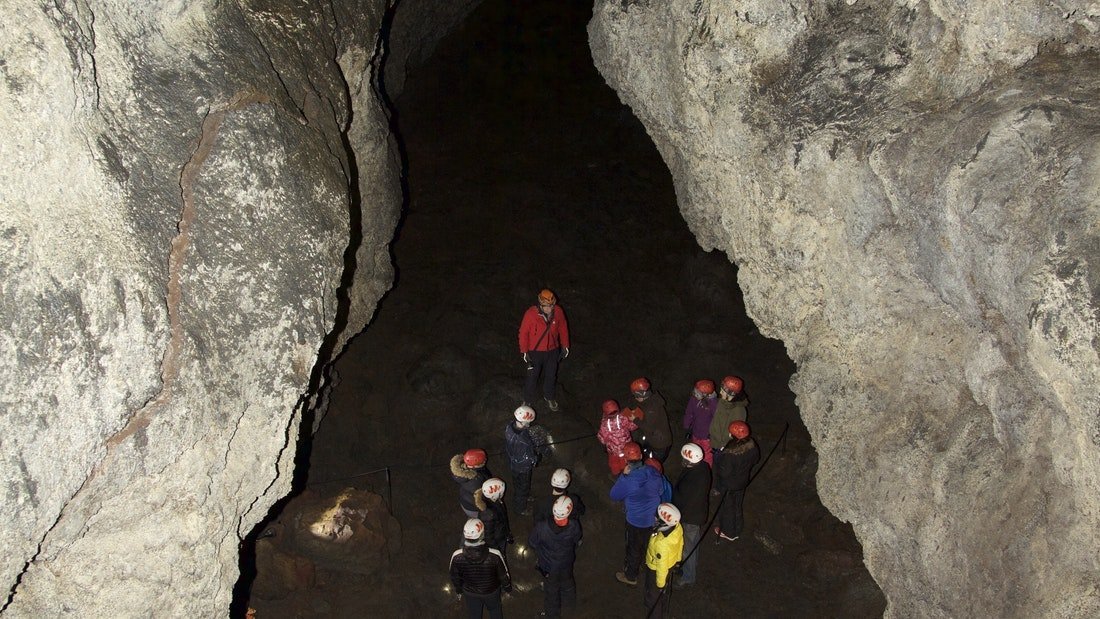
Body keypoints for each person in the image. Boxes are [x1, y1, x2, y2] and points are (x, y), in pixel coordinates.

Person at [609, 442, 664, 586]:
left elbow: (614, 495)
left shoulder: (629, 480)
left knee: (633, 548)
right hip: (652, 520)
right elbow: (661, 491)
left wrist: (623, 476)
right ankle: (648, 567)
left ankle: (631, 576)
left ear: (626, 460)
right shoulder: (654, 473)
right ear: (641, 456)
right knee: (648, 546)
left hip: (635, 521)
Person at [527, 496, 583, 618]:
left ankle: (552, 615)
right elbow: (577, 540)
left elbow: (532, 543)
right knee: (568, 581)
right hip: (567, 561)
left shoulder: (542, 527)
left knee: (551, 591)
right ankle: (569, 604)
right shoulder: (574, 525)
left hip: (548, 566)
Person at [449, 518, 512, 619]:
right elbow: (503, 575)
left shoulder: (456, 556)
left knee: (474, 614)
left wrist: (459, 590)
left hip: (470, 592)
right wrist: (507, 588)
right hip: (491, 591)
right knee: (495, 609)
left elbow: (455, 577)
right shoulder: (495, 555)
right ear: (482, 534)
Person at [518, 288, 570, 411]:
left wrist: (565, 345)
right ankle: (528, 399)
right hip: (535, 352)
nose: (549, 309)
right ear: (540, 304)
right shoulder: (530, 314)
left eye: (551, 305)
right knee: (532, 377)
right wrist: (524, 351)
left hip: (552, 350)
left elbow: (563, 328)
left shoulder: (558, 311)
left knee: (551, 375)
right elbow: (523, 333)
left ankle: (549, 397)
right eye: (546, 306)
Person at [671, 443, 710, 587]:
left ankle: (688, 576)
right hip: (697, 513)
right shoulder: (703, 467)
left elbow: (683, 500)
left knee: (688, 548)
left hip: (689, 518)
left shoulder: (692, 480)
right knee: (692, 544)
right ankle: (689, 567)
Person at [715, 421, 761, 541]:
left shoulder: (730, 454)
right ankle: (738, 529)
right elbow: (756, 460)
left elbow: (724, 473)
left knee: (728, 508)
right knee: (737, 505)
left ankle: (729, 533)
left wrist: (720, 459)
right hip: (742, 481)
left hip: (729, 485)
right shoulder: (752, 446)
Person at [643, 503, 684, 619]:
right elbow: (681, 543)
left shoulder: (662, 544)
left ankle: (655, 613)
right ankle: (663, 605)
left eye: (657, 518)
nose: (655, 518)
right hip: (671, 564)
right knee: (664, 591)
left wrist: (660, 585)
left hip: (656, 568)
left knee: (654, 596)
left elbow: (661, 568)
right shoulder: (677, 527)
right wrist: (678, 561)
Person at [504, 405, 541, 515]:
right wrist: (535, 459)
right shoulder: (522, 442)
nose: (529, 425)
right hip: (522, 468)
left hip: (512, 462)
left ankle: (524, 494)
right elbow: (527, 459)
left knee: (517, 482)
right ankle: (520, 508)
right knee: (522, 487)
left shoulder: (509, 427)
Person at [625, 377, 672, 462]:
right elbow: (647, 414)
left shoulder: (651, 408)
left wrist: (635, 419)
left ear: (642, 395)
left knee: (654, 463)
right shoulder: (651, 400)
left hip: (660, 442)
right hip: (654, 437)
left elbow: (649, 427)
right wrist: (636, 413)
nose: (635, 398)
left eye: (636, 396)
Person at [709, 376, 749, 473]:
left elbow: (733, 433)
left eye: (723, 391)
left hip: (723, 446)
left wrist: (722, 446)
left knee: (720, 469)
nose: (720, 392)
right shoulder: (723, 401)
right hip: (714, 442)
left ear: (732, 394)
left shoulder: (738, 411)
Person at [596, 399, 638, 477]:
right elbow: (633, 427)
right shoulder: (623, 418)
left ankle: (616, 474)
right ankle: (626, 474)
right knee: (626, 461)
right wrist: (635, 418)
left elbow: (602, 440)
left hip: (613, 451)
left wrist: (599, 434)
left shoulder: (604, 425)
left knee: (614, 463)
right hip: (626, 448)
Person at [683, 379, 718, 467]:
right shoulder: (694, 399)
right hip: (696, 431)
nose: (695, 393)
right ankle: (695, 465)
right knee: (695, 449)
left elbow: (717, 419)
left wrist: (714, 433)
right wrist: (687, 425)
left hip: (707, 435)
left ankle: (706, 469)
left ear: (705, 394)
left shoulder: (713, 403)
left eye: (697, 392)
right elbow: (689, 412)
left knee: (707, 454)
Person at [475, 478, 513, 558]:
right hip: (498, 538)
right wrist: (497, 550)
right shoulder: (488, 515)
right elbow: (489, 537)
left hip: (501, 531)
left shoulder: (492, 502)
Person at [452, 448, 492, 518]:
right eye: (483, 461)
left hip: (465, 502)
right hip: (473, 508)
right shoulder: (478, 479)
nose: (485, 461)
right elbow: (482, 497)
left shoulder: (462, 471)